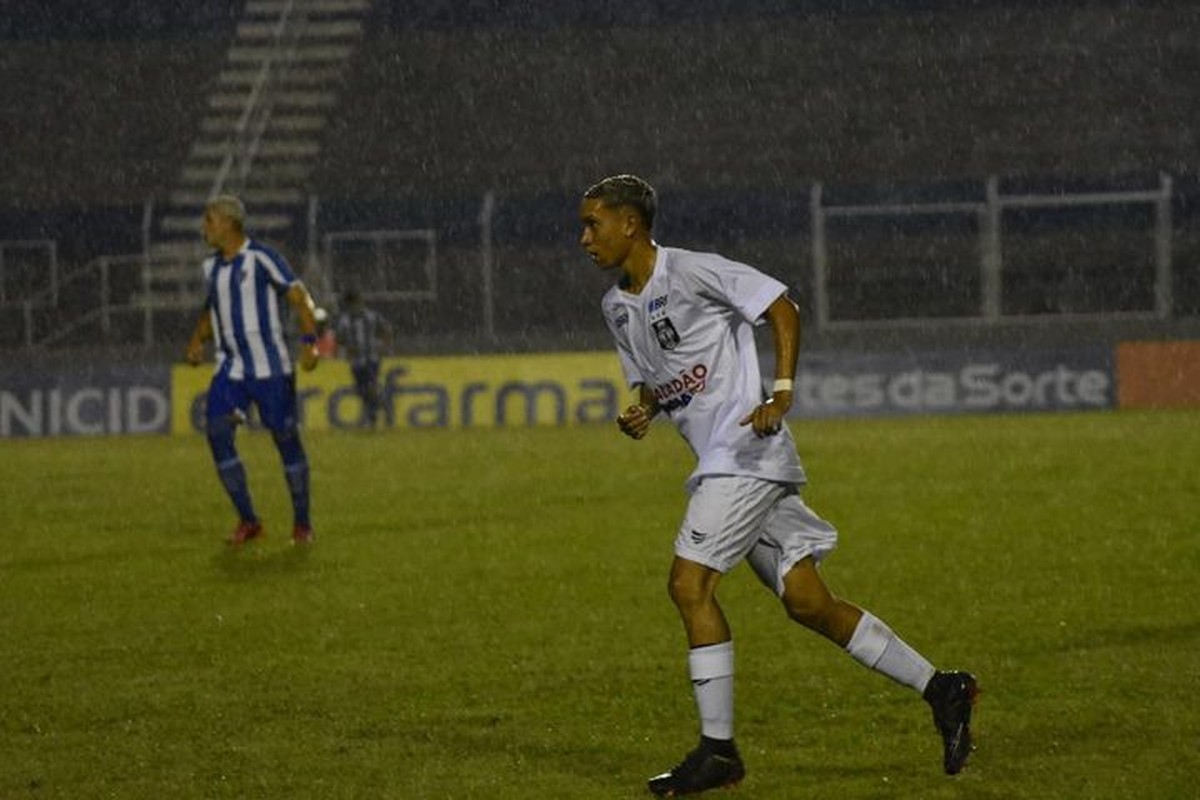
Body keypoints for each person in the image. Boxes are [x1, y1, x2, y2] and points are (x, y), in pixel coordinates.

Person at [579, 174, 978, 796]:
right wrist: (647, 409)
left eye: (593, 223)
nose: (584, 237)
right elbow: (662, 376)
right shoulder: (615, 307)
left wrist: (782, 392)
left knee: (689, 584)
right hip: (727, 464)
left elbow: (780, 306)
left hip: (742, 453)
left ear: (630, 224)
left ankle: (719, 752)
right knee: (808, 603)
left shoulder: (692, 271)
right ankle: (943, 687)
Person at [185, 194, 321, 545]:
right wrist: (198, 339)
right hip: (231, 369)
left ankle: (302, 523)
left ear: (229, 223)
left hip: (271, 369)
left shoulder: (262, 258)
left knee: (285, 439)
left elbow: (298, 295)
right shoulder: (210, 268)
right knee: (217, 432)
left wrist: (310, 341)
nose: (205, 227)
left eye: (210, 220)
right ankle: (249, 520)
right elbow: (212, 309)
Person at [335, 288, 393, 428]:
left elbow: (386, 329)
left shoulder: (371, 316)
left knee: (370, 386)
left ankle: (374, 414)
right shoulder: (344, 321)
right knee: (361, 390)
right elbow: (339, 338)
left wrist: (384, 346)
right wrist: (347, 349)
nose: (354, 306)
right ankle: (380, 406)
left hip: (371, 358)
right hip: (356, 361)